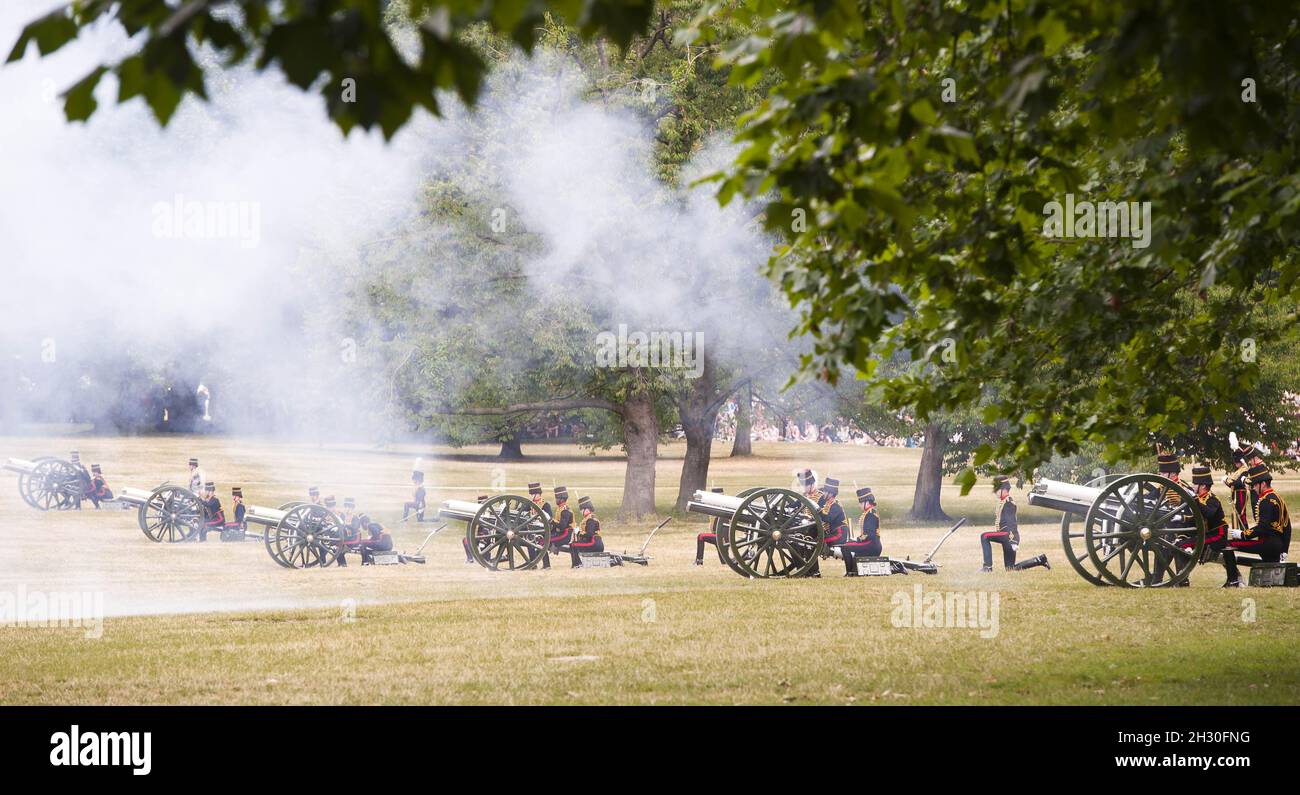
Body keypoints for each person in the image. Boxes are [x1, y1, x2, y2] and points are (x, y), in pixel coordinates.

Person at [1224, 463, 1290, 578]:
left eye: (1254, 485)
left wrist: (1242, 534)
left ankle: (1233, 579)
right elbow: (1287, 527)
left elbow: (1262, 528)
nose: (1253, 488)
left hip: (1267, 543)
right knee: (1269, 570)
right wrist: (1284, 549)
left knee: (1227, 544)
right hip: (1277, 544)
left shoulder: (1265, 500)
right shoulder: (1278, 498)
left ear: (1263, 484)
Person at [980, 475, 1049, 572]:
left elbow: (1011, 523)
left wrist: (1013, 541)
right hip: (1008, 536)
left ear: (1003, 489)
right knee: (1010, 568)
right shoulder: (1004, 501)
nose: (995, 491)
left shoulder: (1008, 503)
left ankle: (987, 567)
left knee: (984, 536)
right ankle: (1039, 560)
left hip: (1008, 535)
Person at [1186, 466, 1235, 586]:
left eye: (1195, 484)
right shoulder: (1199, 498)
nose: (1193, 486)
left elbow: (1209, 514)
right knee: (1182, 543)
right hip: (1209, 534)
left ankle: (1234, 579)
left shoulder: (1213, 499)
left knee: (1185, 545)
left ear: (1202, 486)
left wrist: (1195, 500)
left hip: (1219, 535)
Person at [841, 487, 882, 576]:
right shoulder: (869, 512)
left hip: (871, 545)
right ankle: (853, 570)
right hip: (870, 543)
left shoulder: (870, 514)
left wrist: (857, 540)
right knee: (849, 544)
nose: (859, 505)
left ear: (867, 502)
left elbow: (868, 534)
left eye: (861, 502)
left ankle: (850, 572)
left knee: (845, 547)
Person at [569, 496, 607, 568]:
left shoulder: (590, 519)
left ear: (587, 509)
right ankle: (575, 564)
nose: (581, 511)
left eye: (582, 510)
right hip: (592, 542)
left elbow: (590, 534)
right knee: (572, 544)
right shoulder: (587, 519)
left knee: (574, 545)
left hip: (594, 543)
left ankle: (578, 564)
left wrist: (579, 532)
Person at [694, 487, 727, 565]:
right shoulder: (715, 505)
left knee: (701, 536)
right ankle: (747, 556)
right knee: (724, 561)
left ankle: (699, 560)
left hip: (720, 537)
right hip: (718, 536)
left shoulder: (722, 506)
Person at [527, 482, 554, 569]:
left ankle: (546, 565)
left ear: (538, 494)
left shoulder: (545, 505)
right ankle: (533, 564)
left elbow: (549, 518)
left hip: (543, 529)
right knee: (529, 542)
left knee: (540, 543)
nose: (531, 496)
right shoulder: (530, 504)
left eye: (533, 494)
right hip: (533, 528)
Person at [463, 495, 489, 563]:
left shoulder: (489, 511)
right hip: (481, 536)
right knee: (466, 540)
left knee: (482, 538)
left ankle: (487, 558)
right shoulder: (478, 511)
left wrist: (482, 536)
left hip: (487, 536)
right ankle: (470, 559)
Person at [549, 487, 575, 558]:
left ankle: (546, 565)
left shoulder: (565, 511)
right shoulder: (559, 509)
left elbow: (562, 526)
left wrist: (551, 521)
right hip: (560, 533)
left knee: (544, 541)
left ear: (562, 499)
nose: (556, 500)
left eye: (557, 498)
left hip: (566, 534)